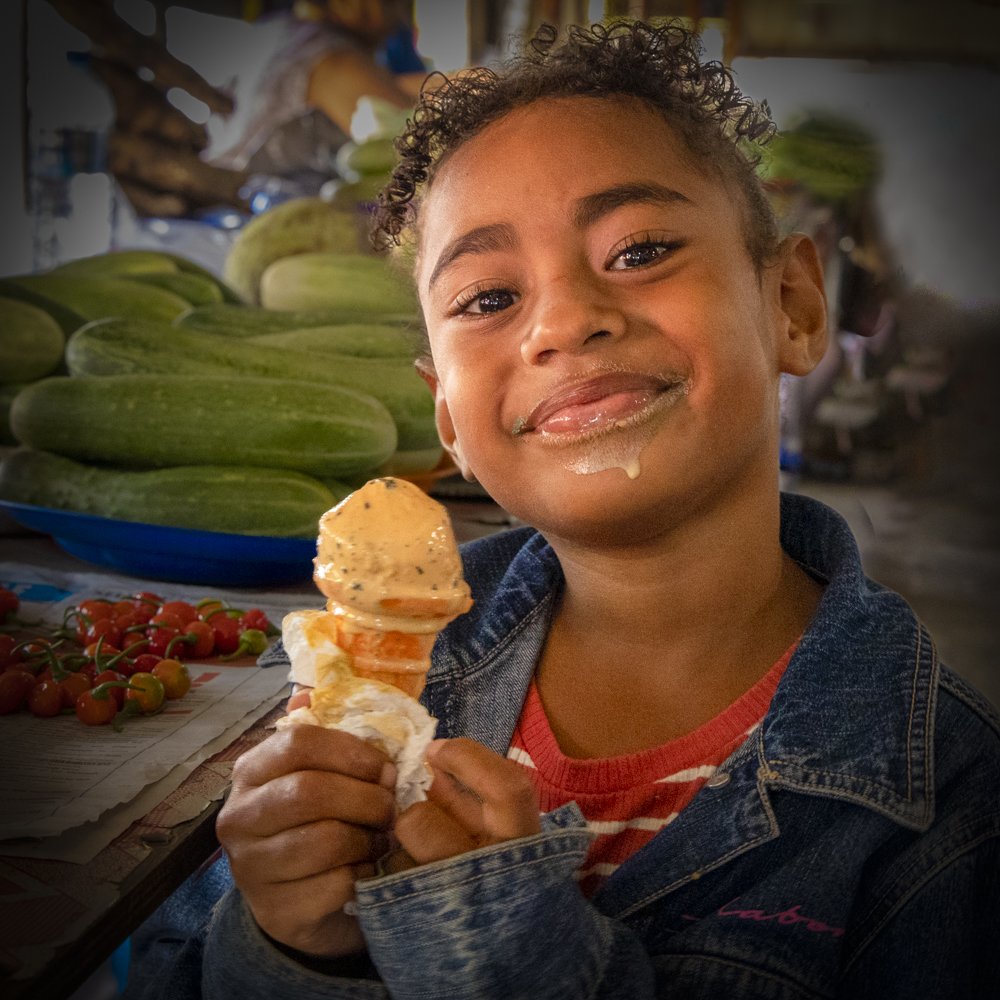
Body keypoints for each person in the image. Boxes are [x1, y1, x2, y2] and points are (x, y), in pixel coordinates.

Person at [123, 20, 1000, 999]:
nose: (561, 320)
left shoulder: (950, 804)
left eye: (639, 249)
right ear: (447, 419)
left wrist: (489, 939)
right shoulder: (396, 679)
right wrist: (289, 946)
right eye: (488, 297)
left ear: (791, 302)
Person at [206, 0, 424, 183]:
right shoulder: (335, 62)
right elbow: (419, 142)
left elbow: (396, 88)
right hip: (243, 208)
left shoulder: (283, 29)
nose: (398, 18)